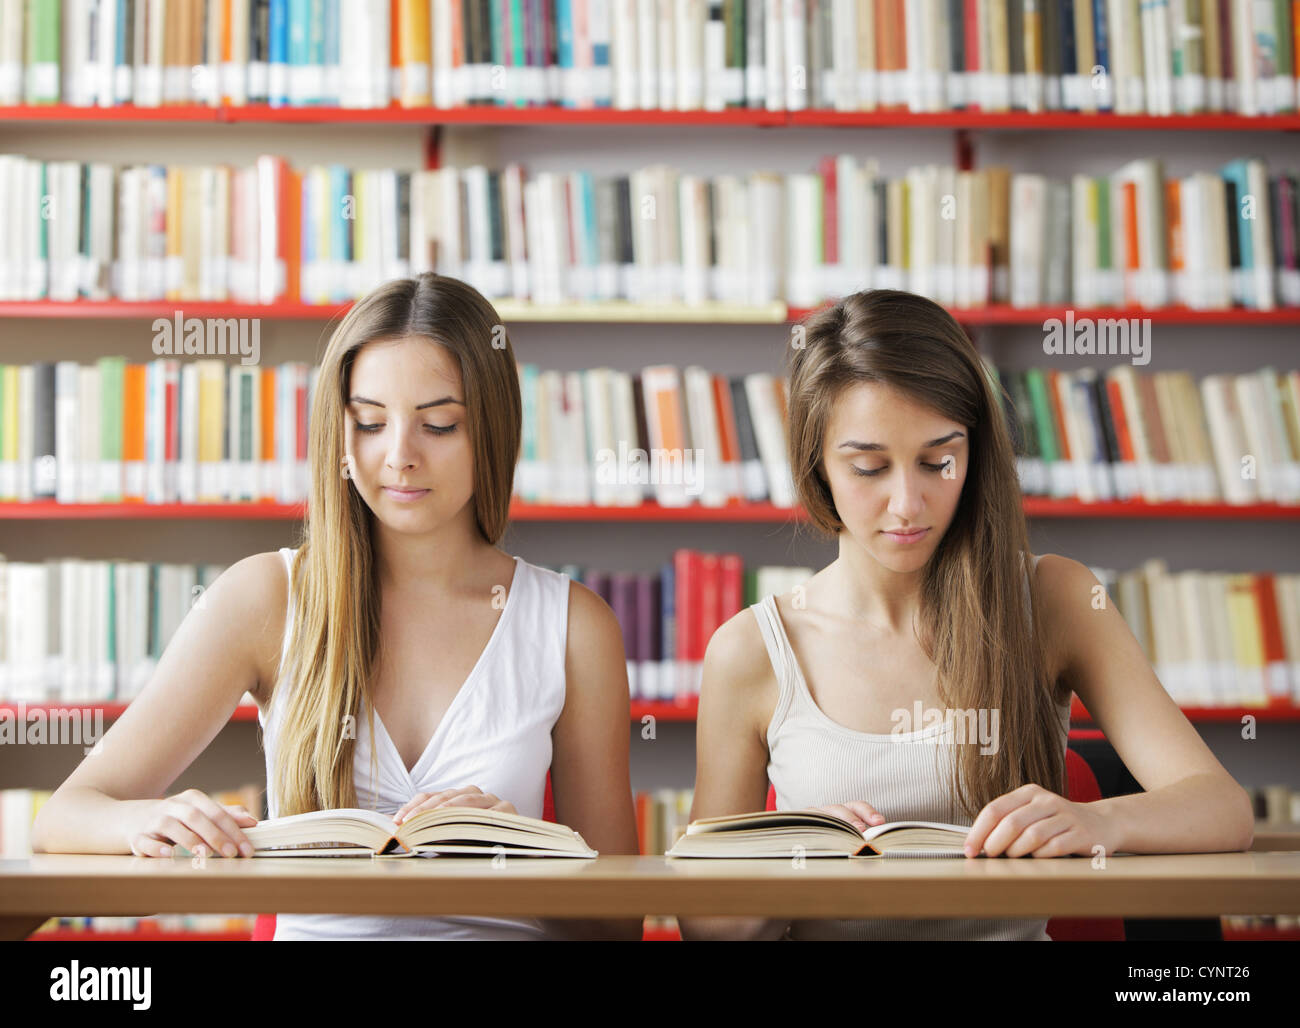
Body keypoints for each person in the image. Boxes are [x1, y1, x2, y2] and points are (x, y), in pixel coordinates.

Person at [32, 272, 642, 940]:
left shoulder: (572, 626)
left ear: (492, 431)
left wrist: (516, 851)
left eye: (439, 425)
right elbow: (64, 817)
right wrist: (142, 821)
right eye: (370, 422)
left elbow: (615, 926)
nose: (399, 456)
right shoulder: (265, 597)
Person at [679, 288, 1254, 941]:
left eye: (938, 461)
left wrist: (1102, 823)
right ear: (817, 466)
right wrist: (795, 866)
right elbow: (705, 924)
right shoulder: (751, 650)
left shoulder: (1052, 598)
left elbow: (1223, 808)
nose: (907, 504)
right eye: (869, 467)